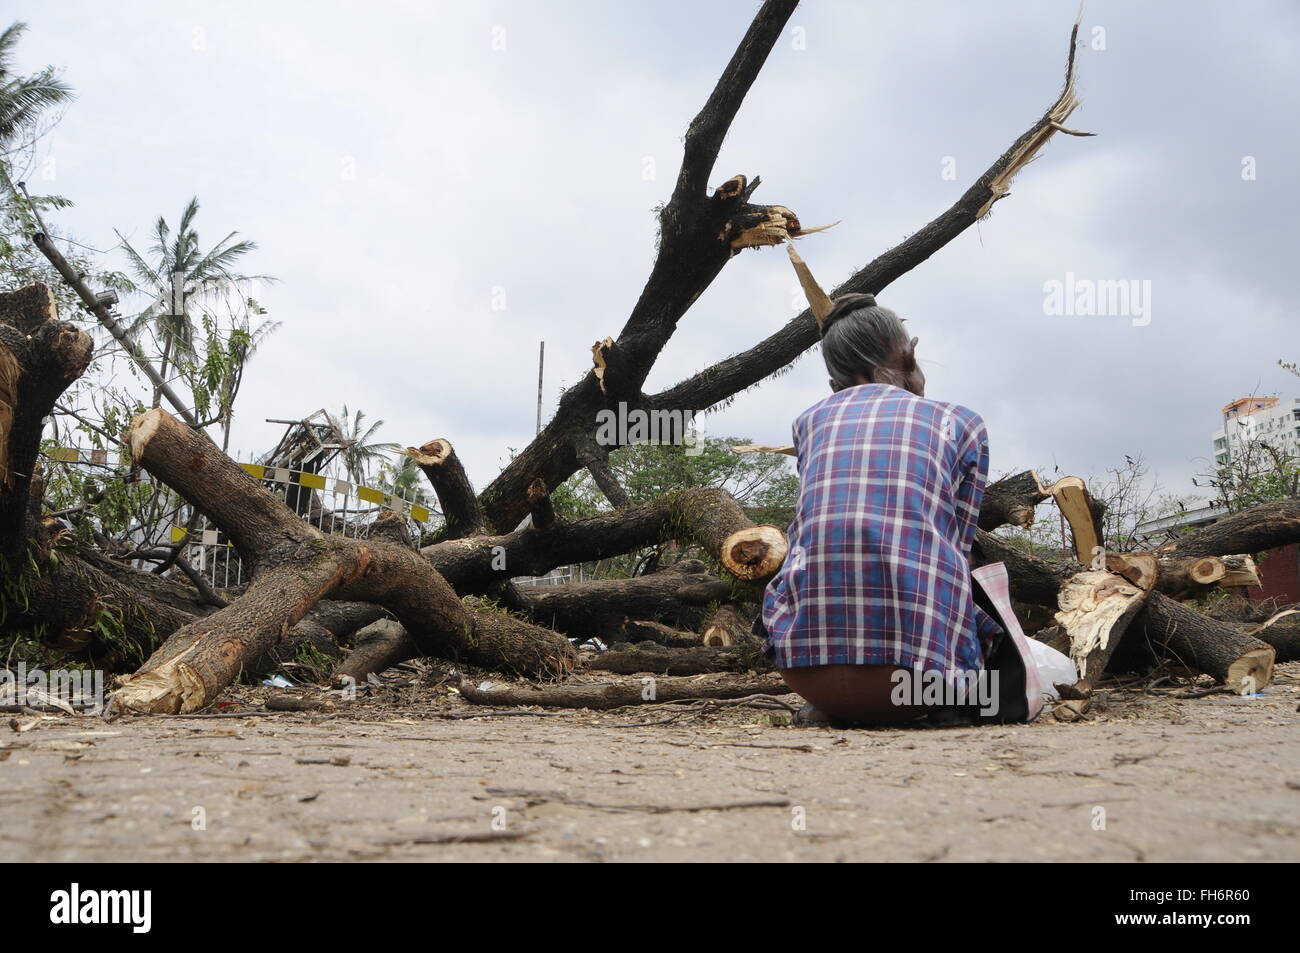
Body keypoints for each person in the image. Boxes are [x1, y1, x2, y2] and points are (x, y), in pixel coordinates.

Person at [759, 293, 1002, 726]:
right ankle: (954, 700)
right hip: (917, 684)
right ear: (908, 358)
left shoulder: (809, 421)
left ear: (835, 387)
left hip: (805, 673)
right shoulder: (961, 422)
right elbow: (957, 548)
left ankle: (836, 703)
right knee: (969, 575)